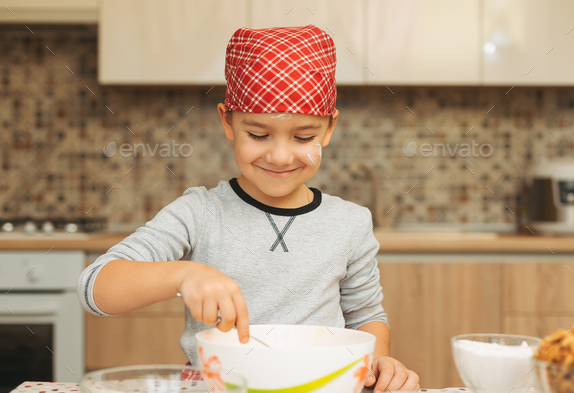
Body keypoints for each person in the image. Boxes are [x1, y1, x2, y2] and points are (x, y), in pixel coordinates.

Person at [78, 25, 419, 392]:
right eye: (258, 135)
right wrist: (182, 275)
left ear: (329, 128)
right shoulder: (200, 213)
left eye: (304, 137)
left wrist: (379, 361)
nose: (280, 155)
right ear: (228, 121)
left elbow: (366, 317)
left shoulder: (350, 223)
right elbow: (96, 287)